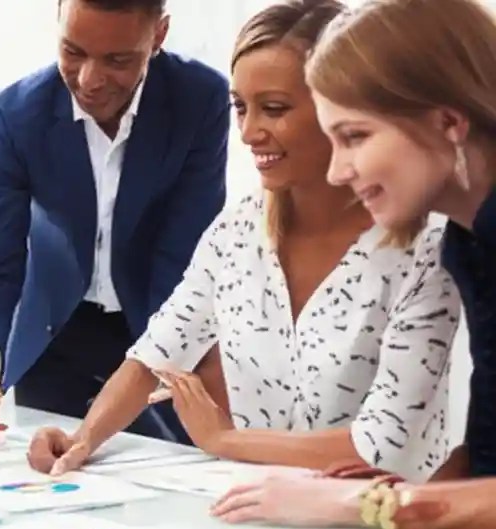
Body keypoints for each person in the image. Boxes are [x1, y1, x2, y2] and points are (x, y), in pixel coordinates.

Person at [27, 0, 460, 483]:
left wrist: (225, 441)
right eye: (240, 106)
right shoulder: (235, 233)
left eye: (274, 109)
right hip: (264, 515)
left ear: (342, 106)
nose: (250, 132)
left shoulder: (425, 248)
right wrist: (83, 440)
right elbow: (153, 355)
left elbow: (387, 447)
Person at [210, 0, 496, 529]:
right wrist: (404, 502)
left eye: (355, 137)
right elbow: (487, 455)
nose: (339, 172)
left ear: (449, 123)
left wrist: (359, 505)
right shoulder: (467, 243)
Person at [0, 0, 230, 447]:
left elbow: (184, 259)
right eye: (72, 51)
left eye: (117, 60)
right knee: (52, 485)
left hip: (161, 328)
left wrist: (147, 373)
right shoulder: (15, 114)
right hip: (55, 339)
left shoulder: (201, 99)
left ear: (158, 36)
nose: (89, 80)